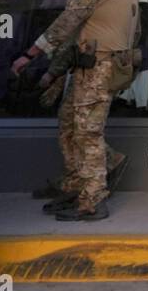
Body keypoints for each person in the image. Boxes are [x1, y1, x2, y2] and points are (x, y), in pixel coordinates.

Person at [11, 0, 140, 221]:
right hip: (101, 68)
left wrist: (29, 54)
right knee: (71, 124)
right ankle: (77, 185)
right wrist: (56, 71)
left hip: (96, 70)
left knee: (87, 133)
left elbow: (65, 24)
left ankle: (93, 199)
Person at [30, 39, 128, 203]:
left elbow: (71, 40)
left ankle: (82, 183)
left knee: (74, 128)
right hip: (96, 66)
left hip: (88, 69)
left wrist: (52, 72)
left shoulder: (90, 16)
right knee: (77, 127)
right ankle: (76, 180)